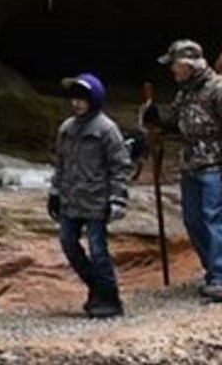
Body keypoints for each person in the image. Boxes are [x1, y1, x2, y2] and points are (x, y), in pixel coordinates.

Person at [140, 38, 222, 302]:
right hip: (191, 164)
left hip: (215, 164)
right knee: (192, 219)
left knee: (212, 218)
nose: (171, 70)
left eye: (174, 65)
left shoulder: (217, 89)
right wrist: (155, 117)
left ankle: (220, 277)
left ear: (188, 64)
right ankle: (213, 270)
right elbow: (173, 121)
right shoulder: (185, 92)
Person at [48, 73, 131, 318]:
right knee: (68, 243)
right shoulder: (66, 128)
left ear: (95, 98)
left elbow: (119, 165)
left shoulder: (107, 129)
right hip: (71, 199)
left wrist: (117, 198)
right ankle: (97, 288)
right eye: (74, 97)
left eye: (83, 98)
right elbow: (60, 164)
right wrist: (55, 192)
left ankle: (109, 298)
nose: (77, 103)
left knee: (98, 249)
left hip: (97, 199)